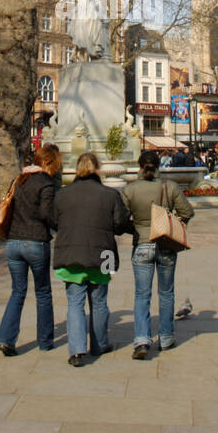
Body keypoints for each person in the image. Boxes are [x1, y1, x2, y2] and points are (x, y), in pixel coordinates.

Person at [52, 152, 133, 367]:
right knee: (99, 301)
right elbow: (119, 224)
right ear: (98, 169)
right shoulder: (110, 195)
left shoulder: (62, 195)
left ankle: (77, 350)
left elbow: (53, 221)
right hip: (104, 253)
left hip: (70, 252)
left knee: (75, 302)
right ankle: (99, 344)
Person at [122, 150, 194, 358]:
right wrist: (173, 224)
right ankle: (166, 337)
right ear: (158, 165)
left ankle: (142, 340)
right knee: (166, 293)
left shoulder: (130, 190)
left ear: (139, 166)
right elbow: (187, 212)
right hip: (165, 244)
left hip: (142, 243)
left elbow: (120, 217)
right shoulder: (169, 187)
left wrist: (135, 227)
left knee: (142, 295)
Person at [0, 144, 62, 355]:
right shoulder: (46, 183)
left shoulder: (19, 179)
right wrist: (59, 224)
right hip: (35, 241)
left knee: (18, 291)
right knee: (43, 292)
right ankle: (45, 340)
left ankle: (6, 339)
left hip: (14, 241)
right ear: (49, 162)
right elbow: (46, 214)